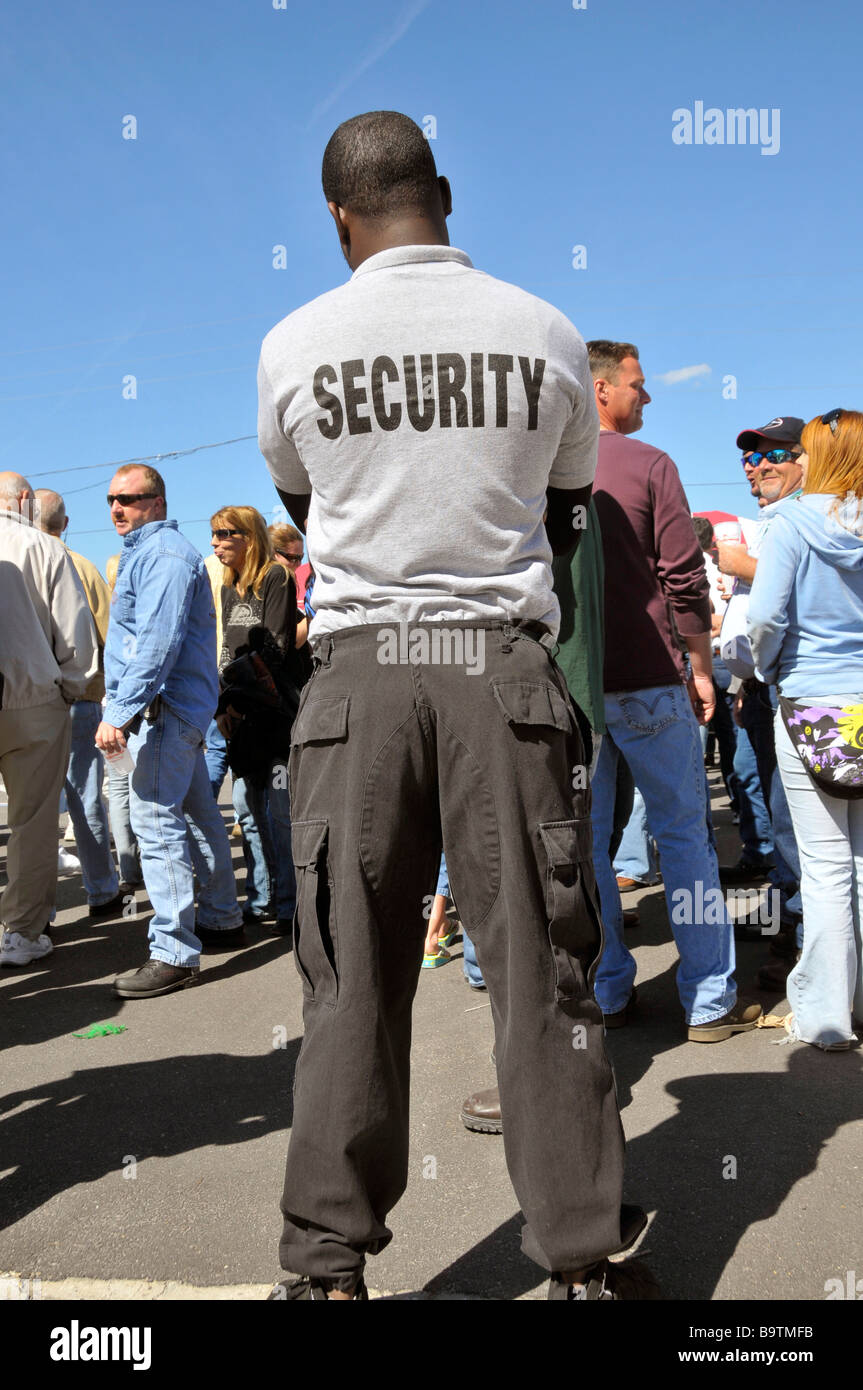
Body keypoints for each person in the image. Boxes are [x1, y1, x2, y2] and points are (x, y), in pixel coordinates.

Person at [258, 111, 653, 1301]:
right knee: (543, 972)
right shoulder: (542, 331)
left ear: (336, 217)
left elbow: (301, 503)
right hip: (500, 671)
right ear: (443, 193)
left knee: (349, 982)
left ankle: (325, 1268)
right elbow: (566, 515)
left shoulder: (292, 343)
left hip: (359, 682)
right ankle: (580, 1259)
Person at [585, 340, 760, 1040]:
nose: (645, 397)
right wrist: (697, 664)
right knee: (684, 835)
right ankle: (708, 1001)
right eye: (636, 384)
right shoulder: (650, 463)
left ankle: (606, 989)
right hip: (651, 680)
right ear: (599, 387)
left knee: (587, 844)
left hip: (573, 688)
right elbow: (682, 576)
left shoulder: (539, 464)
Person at [95, 465, 243, 998]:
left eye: (129, 499)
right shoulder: (155, 552)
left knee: (155, 823)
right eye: (111, 498)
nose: (117, 507)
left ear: (156, 502)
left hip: (163, 711)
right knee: (198, 812)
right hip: (173, 709)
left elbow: (157, 644)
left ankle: (175, 953)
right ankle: (223, 917)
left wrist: (121, 711)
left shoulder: (162, 554)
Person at [748, 409, 863, 1049]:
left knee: (823, 865)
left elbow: (765, 617)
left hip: (811, 700)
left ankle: (825, 1016)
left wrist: (768, 667)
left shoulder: (789, 523)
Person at [717, 418, 806, 984]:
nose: (758, 465)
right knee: (777, 810)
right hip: (762, 689)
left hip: (802, 689)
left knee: (799, 820)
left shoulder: (817, 518)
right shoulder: (772, 523)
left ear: (808, 458)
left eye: (774, 454)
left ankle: (799, 936)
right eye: (751, 459)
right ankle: (786, 917)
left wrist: (744, 567)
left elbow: (785, 606)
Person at [0, 472, 98, 967]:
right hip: (34, 699)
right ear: (23, 500)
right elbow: (75, 633)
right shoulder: (44, 547)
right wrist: (69, 687)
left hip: (30, 694)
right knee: (33, 821)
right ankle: (22, 930)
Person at [211, 505, 301, 933]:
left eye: (225, 534)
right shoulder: (229, 585)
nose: (216, 542)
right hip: (239, 717)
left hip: (274, 715)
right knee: (248, 811)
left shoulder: (275, 577)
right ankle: (261, 898)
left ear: (248, 536)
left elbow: (274, 650)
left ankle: (289, 904)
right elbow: (228, 654)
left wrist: (237, 705)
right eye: (213, 534)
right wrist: (221, 707)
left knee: (280, 813)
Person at [34, 489, 124, 916]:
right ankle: (102, 889)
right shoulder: (83, 566)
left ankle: (34, 912)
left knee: (32, 806)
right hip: (81, 694)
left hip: (27, 695)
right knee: (84, 796)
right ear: (65, 523)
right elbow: (109, 634)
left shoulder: (17, 562)